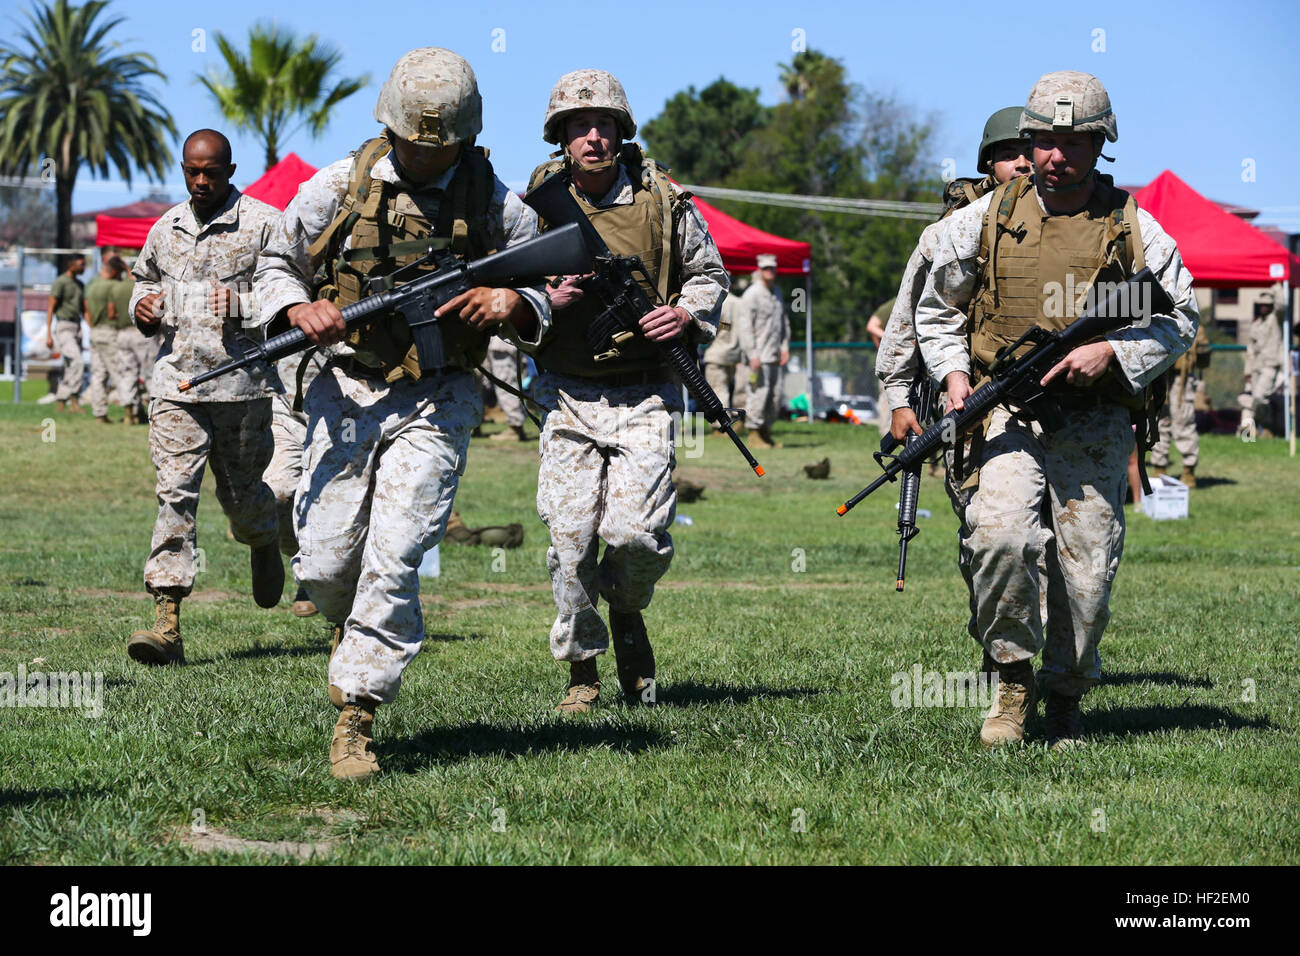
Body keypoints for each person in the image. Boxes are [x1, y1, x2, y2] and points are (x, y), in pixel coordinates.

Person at [254, 48, 549, 779]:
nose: (426, 154)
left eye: (441, 143)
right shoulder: (341, 184)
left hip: (439, 395)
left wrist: (514, 302)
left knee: (396, 553)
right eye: (416, 142)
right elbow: (275, 259)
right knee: (324, 564)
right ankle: (340, 624)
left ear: (465, 136)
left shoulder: (490, 197)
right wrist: (299, 305)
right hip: (346, 388)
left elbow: (549, 271)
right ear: (390, 126)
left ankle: (357, 714)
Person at [915, 71, 1199, 749]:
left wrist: (1113, 352)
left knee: (1087, 568)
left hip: (1094, 419)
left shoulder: (1132, 226)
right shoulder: (983, 218)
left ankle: (1067, 692)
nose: (1057, 155)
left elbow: (1180, 317)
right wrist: (954, 376)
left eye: (1076, 141)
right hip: (1008, 411)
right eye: (1045, 140)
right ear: (1030, 140)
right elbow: (936, 310)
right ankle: (1013, 682)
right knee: (998, 536)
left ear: (1101, 144)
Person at [523, 69, 727, 712]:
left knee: (638, 536)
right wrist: (543, 299)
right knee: (569, 538)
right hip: (566, 390)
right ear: (561, 137)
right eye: (579, 127)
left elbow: (709, 273)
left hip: (645, 392)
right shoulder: (533, 205)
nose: (592, 137)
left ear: (621, 131)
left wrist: (686, 315)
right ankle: (583, 666)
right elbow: (503, 283)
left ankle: (627, 610)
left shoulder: (663, 200)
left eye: (604, 125)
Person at [875, 105, 1033, 668]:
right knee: (981, 527)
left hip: (1050, 403)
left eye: (1029, 148)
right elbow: (906, 322)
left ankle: (1045, 659)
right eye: (1009, 153)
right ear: (988, 163)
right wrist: (899, 397)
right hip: (966, 402)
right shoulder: (950, 232)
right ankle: (1001, 651)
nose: (1023, 162)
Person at [127, 129, 285, 667]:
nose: (200, 181)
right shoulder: (166, 227)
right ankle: (166, 622)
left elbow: (291, 297)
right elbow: (141, 280)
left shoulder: (264, 223)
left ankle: (263, 540)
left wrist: (242, 304)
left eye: (211, 172)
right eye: (192, 171)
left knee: (241, 497)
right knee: (175, 492)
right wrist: (142, 307)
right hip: (176, 385)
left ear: (230, 169)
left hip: (241, 388)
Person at [262, 350, 328, 617]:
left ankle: (317, 578)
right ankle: (303, 564)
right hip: (284, 408)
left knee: (335, 504)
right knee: (277, 494)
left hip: (346, 414)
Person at [738, 253, 788, 448]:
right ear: (759, 270)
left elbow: (783, 322)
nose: (770, 272)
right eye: (766, 268)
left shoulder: (777, 293)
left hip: (774, 354)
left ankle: (765, 433)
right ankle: (754, 434)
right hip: (758, 356)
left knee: (774, 397)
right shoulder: (752, 294)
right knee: (758, 394)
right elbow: (744, 327)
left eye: (773, 268)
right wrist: (752, 354)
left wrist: (784, 347)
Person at [1151, 323, 1210, 485]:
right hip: (1158, 375)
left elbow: (1204, 357)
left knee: (1184, 421)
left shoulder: (1191, 321)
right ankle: (1159, 467)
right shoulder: (1156, 317)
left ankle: (1188, 470)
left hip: (1181, 378)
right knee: (1159, 422)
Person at [1237, 289, 1286, 440]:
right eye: (1261, 305)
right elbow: (1250, 351)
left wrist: (1277, 286)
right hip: (1256, 367)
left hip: (1271, 366)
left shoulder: (1276, 320)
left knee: (1258, 398)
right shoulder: (1256, 324)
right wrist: (1247, 371)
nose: (1263, 307)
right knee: (1254, 400)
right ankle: (1252, 434)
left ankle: (1253, 428)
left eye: (1267, 305)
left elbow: (1282, 306)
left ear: (1271, 306)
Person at [84, 256, 127, 423]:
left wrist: (92, 326)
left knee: (98, 374)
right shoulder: (115, 286)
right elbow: (114, 312)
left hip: (95, 331)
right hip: (110, 331)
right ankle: (130, 409)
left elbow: (86, 309)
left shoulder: (92, 286)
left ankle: (99, 413)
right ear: (116, 272)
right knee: (119, 372)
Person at [110, 264, 152, 425]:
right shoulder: (145, 289)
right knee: (149, 372)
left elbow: (111, 313)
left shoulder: (116, 288)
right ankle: (154, 409)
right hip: (140, 333)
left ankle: (129, 412)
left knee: (127, 372)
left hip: (122, 334)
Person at [45, 253, 87, 412]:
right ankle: (74, 399)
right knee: (77, 362)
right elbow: (50, 308)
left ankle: (62, 400)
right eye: (81, 264)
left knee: (70, 365)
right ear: (71, 264)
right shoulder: (60, 282)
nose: (84, 267)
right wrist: (49, 334)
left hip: (77, 327)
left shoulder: (80, 284)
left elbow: (85, 310)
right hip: (63, 326)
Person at [702, 275, 748, 415]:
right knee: (735, 388)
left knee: (718, 389)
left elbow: (709, 330)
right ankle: (738, 417)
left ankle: (721, 423)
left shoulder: (716, 302)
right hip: (736, 353)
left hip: (717, 353)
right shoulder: (741, 303)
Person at [486, 334, 529, 441]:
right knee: (509, 384)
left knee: (506, 386)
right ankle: (516, 426)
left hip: (503, 344)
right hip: (506, 343)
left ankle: (515, 428)